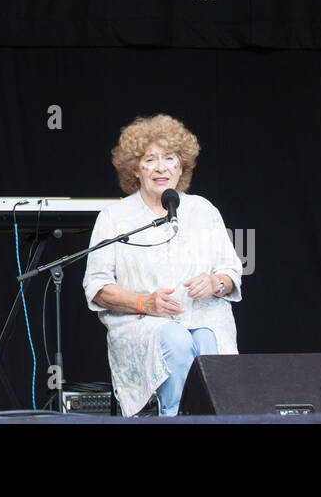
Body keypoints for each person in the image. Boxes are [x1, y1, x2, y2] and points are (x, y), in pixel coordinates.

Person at [83, 114, 242, 416]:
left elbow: (232, 272)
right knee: (175, 338)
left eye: (169, 158)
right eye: (150, 160)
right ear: (136, 169)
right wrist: (146, 302)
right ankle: (174, 417)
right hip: (144, 325)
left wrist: (215, 282)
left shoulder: (203, 210)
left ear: (181, 165)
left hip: (204, 317)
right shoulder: (115, 217)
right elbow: (98, 287)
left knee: (208, 337)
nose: (161, 168)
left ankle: (218, 419)